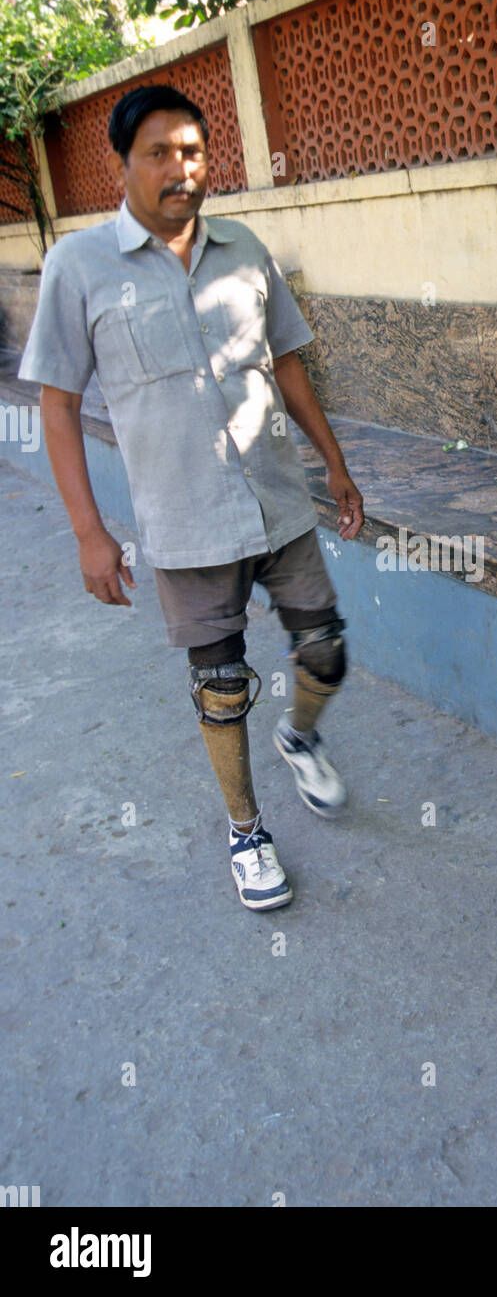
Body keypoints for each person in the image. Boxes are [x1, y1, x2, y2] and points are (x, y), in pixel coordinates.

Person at [18, 84, 364, 912]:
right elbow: (57, 404)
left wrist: (336, 465)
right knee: (220, 686)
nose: (182, 170)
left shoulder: (245, 249)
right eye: (160, 154)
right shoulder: (79, 266)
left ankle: (301, 734)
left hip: (277, 503)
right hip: (184, 522)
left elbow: (287, 364)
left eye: (194, 152)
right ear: (123, 165)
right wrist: (87, 532)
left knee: (326, 650)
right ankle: (247, 832)